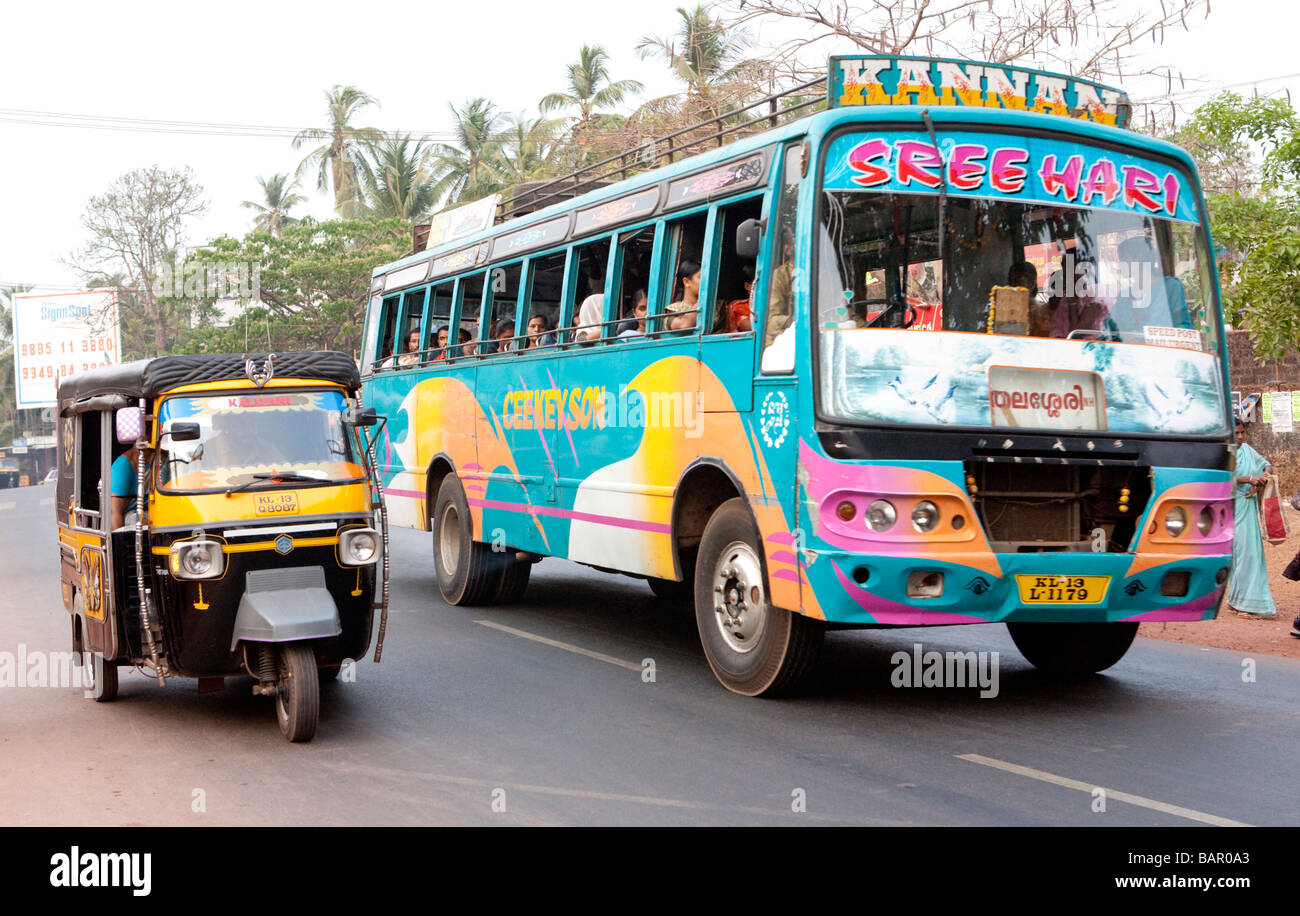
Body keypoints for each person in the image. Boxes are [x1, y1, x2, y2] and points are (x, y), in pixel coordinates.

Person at [1226, 419, 1276, 619]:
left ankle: (1239, 599)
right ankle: (1247, 604)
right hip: (1231, 508)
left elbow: (1267, 464)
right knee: (1244, 555)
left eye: (1242, 432)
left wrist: (1265, 474)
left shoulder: (1247, 450)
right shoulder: (1222, 452)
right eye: (1236, 433)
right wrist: (1248, 479)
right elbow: (1220, 477)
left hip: (1248, 507)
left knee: (1248, 554)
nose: (1240, 437)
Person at [110, 441, 151, 529]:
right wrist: (119, 540)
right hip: (133, 517)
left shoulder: (161, 458)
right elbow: (114, 511)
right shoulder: (122, 466)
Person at [666, 260, 701, 331]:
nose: (706, 281)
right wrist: (700, 304)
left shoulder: (716, 308)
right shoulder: (673, 310)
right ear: (687, 282)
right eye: (700, 277)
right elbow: (684, 325)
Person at [723, 264, 755, 333]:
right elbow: (754, 328)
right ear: (747, 286)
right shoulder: (738, 306)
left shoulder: (771, 304)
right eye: (758, 284)